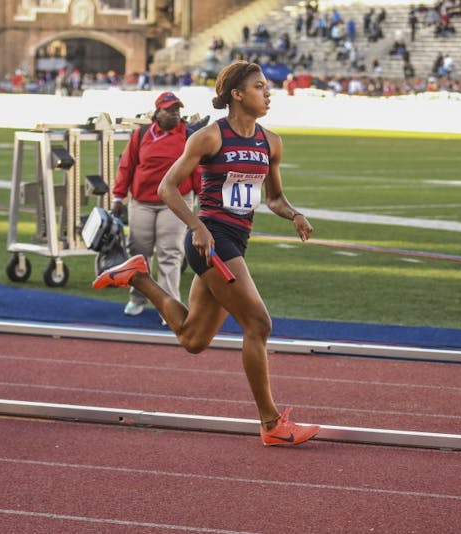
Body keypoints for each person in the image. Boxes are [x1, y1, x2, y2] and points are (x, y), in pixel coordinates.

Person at [93, 61, 320, 447]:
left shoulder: (271, 142)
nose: (268, 94)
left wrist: (294, 214)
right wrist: (196, 226)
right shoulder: (210, 137)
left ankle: (138, 277)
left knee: (193, 338)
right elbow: (167, 188)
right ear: (237, 94)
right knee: (259, 325)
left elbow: (275, 198)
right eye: (260, 87)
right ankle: (271, 425)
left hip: (236, 242)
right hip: (212, 240)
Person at [111, 91, 200, 318]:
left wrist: (204, 199)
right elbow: (127, 165)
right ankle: (137, 297)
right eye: (169, 110)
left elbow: (197, 169)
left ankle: (169, 307)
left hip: (176, 201)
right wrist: (118, 197)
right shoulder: (141, 134)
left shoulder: (188, 136)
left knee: (170, 252)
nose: (174, 114)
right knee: (139, 252)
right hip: (142, 201)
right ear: (157, 112)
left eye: (177, 110)